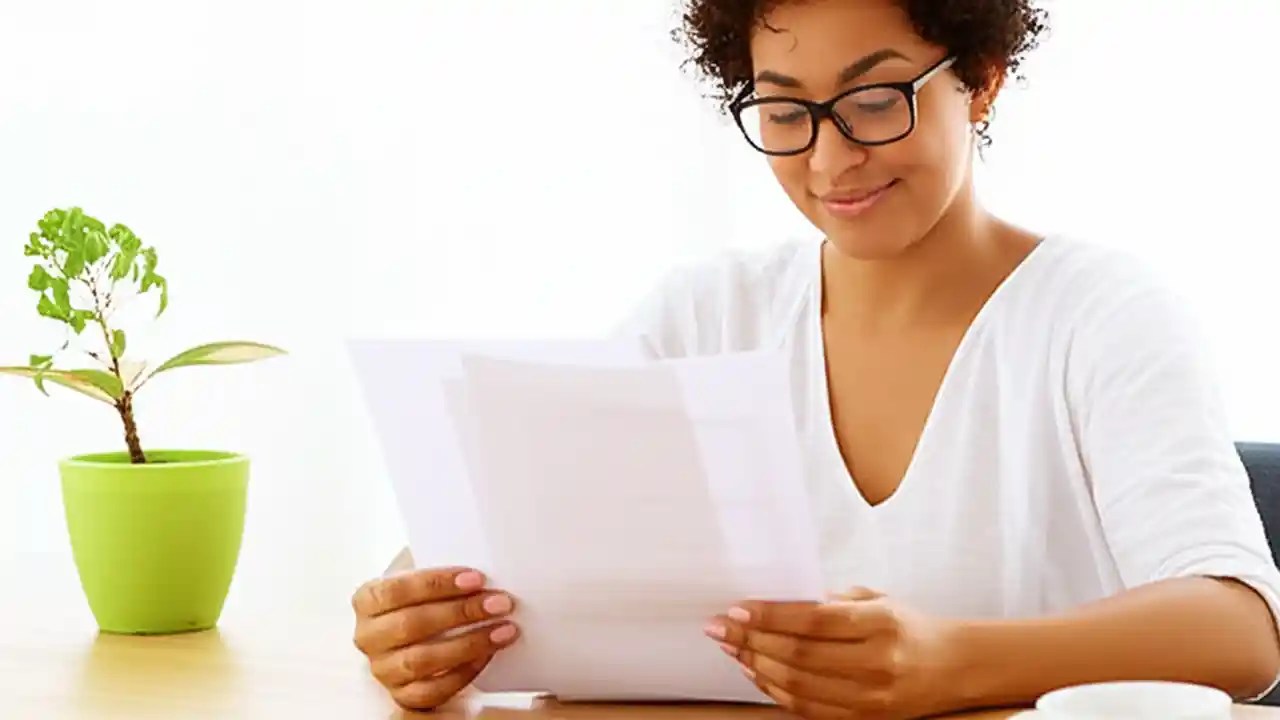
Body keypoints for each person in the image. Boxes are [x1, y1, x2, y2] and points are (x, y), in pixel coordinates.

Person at [351, 0, 1280, 716]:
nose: (833, 162)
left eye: (876, 101)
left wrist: (950, 662)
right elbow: (482, 537)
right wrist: (420, 629)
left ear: (982, 78)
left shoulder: (1100, 315)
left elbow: (1240, 629)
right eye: (787, 111)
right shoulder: (707, 315)